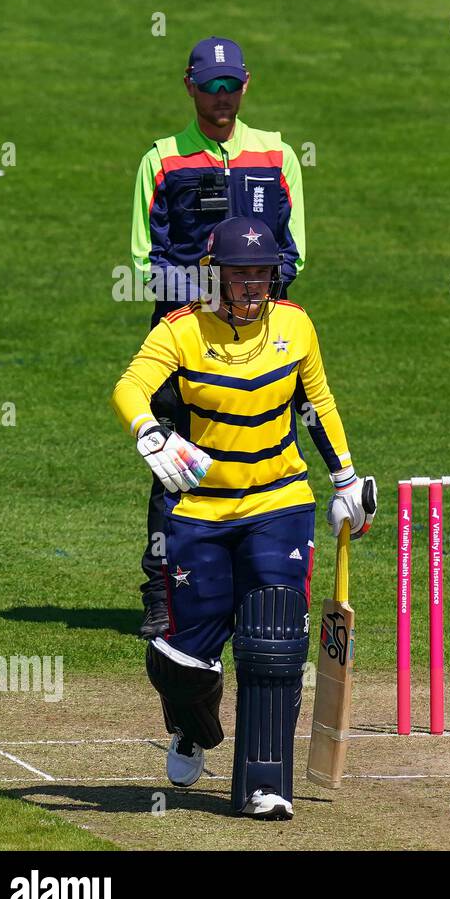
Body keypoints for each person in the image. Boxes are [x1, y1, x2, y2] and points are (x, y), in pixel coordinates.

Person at [110, 217, 372, 820]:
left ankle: (264, 782)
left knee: (274, 640)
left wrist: (347, 480)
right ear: (215, 276)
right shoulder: (181, 331)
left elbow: (316, 403)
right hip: (201, 510)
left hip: (278, 502)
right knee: (180, 658)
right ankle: (190, 725)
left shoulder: (296, 324)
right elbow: (129, 388)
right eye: (239, 274)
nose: (252, 285)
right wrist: (148, 431)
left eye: (261, 273)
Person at [130, 36, 308, 639]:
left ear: (246, 84)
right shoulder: (161, 160)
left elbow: (294, 255)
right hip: (186, 342)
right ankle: (161, 588)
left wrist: (250, 299)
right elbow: (145, 262)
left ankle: (262, 578)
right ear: (189, 86)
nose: (221, 98)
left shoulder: (279, 156)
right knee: (174, 465)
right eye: (210, 87)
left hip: (263, 342)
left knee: (272, 452)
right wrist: (214, 292)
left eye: (230, 86)